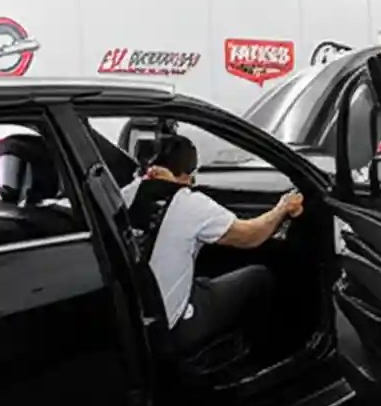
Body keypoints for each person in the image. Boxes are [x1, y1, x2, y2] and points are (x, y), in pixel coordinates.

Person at [122, 134, 304, 356]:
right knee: (259, 278)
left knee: (203, 279)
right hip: (172, 329)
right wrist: (283, 207)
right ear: (187, 175)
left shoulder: (125, 195)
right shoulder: (189, 203)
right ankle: (257, 358)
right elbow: (251, 236)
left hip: (134, 322)